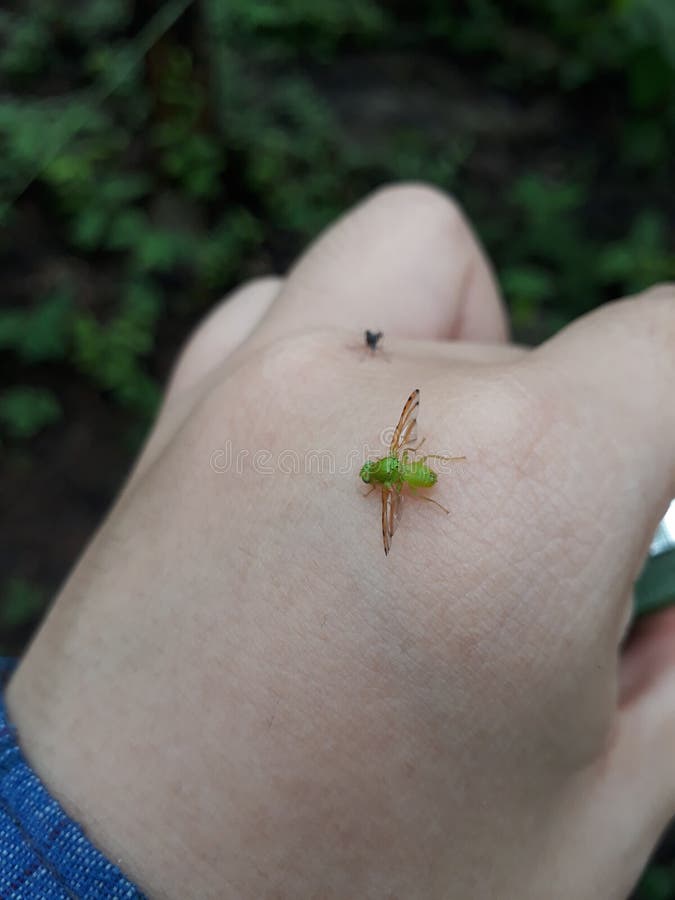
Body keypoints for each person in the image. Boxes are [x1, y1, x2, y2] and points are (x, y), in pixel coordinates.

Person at [2, 183, 675, 899]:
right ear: (384, 477)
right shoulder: (388, 486)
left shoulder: (395, 469)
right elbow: (393, 494)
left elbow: (404, 449)